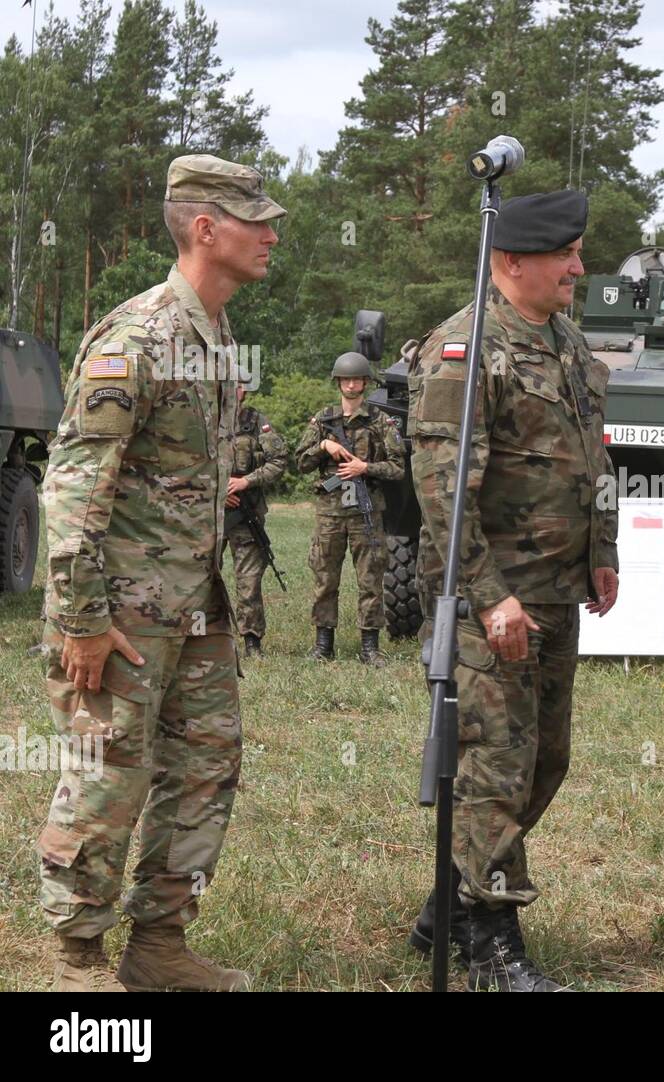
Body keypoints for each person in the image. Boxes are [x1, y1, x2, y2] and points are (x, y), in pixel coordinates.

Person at [38, 153, 284, 991]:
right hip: (122, 613)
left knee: (205, 770)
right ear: (206, 228)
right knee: (109, 773)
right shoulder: (137, 335)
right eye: (257, 218)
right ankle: (78, 959)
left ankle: (159, 945)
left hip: (196, 607)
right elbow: (73, 480)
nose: (272, 232)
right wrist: (79, 618)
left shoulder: (215, 336)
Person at [405, 189, 619, 992]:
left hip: (558, 590)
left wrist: (602, 548)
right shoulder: (463, 349)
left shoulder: (566, 343)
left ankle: (447, 906)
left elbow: (593, 458)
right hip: (490, 597)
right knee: (496, 762)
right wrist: (488, 594)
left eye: (578, 252)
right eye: (565, 255)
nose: (579, 267)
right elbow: (442, 490)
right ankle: (493, 942)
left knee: (544, 763)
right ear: (511, 262)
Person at [293, 352, 404, 666]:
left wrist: (364, 467)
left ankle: (370, 646)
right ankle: (323, 644)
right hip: (329, 514)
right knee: (325, 578)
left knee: (371, 578)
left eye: (357, 379)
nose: (352, 385)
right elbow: (301, 461)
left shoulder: (380, 421)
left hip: (365, 513)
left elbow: (398, 468)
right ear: (339, 382)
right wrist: (324, 446)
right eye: (346, 379)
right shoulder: (323, 419)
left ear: (366, 383)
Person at [223, 380, 288, 657]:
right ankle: (202, 638)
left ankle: (252, 641)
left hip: (245, 513)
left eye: (238, 385)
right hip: (206, 515)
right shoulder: (199, 418)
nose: (233, 390)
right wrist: (218, 490)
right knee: (200, 579)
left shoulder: (257, 421)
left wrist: (246, 482)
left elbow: (279, 461)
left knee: (248, 580)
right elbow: (181, 465)